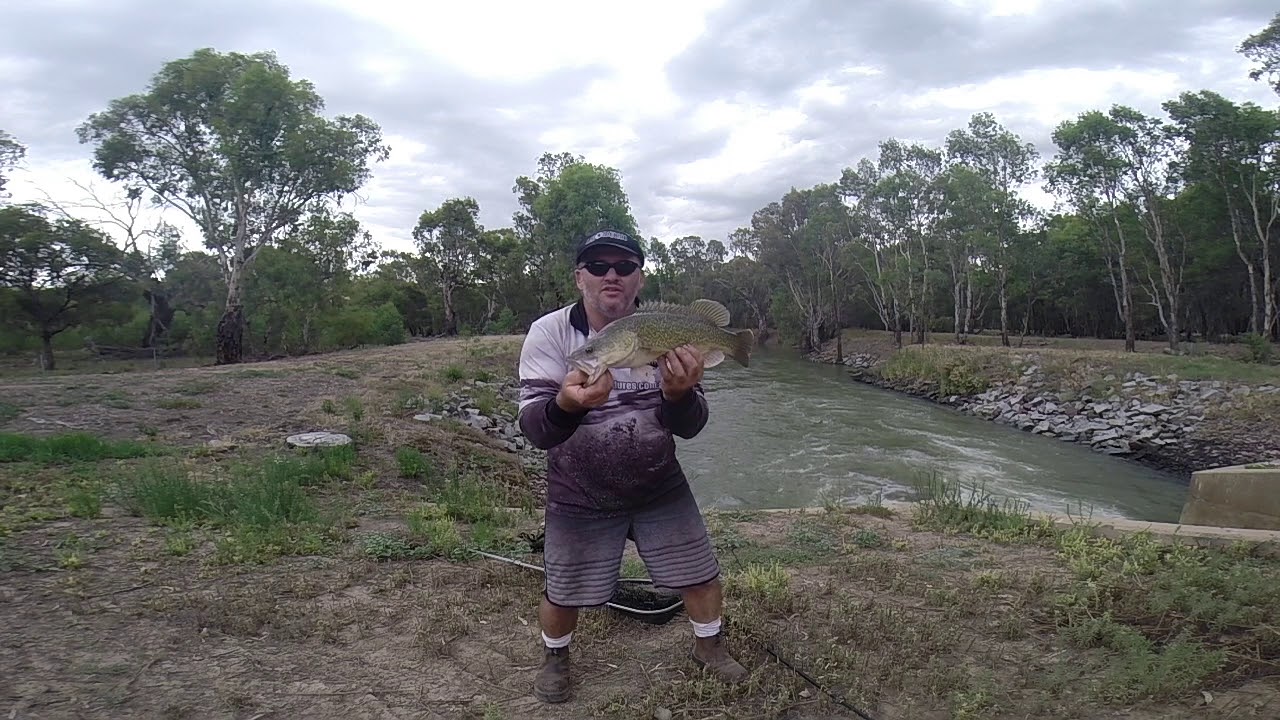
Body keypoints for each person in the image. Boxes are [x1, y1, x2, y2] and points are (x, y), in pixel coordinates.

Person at [516, 228, 748, 703]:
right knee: (563, 589)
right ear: (580, 277)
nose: (612, 275)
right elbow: (536, 429)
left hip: (657, 480)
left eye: (624, 266)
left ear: (639, 278)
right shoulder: (550, 334)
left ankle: (710, 648)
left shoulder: (659, 330)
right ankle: (556, 658)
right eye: (598, 266)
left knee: (699, 573)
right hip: (579, 487)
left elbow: (692, 426)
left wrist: (679, 393)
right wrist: (567, 404)